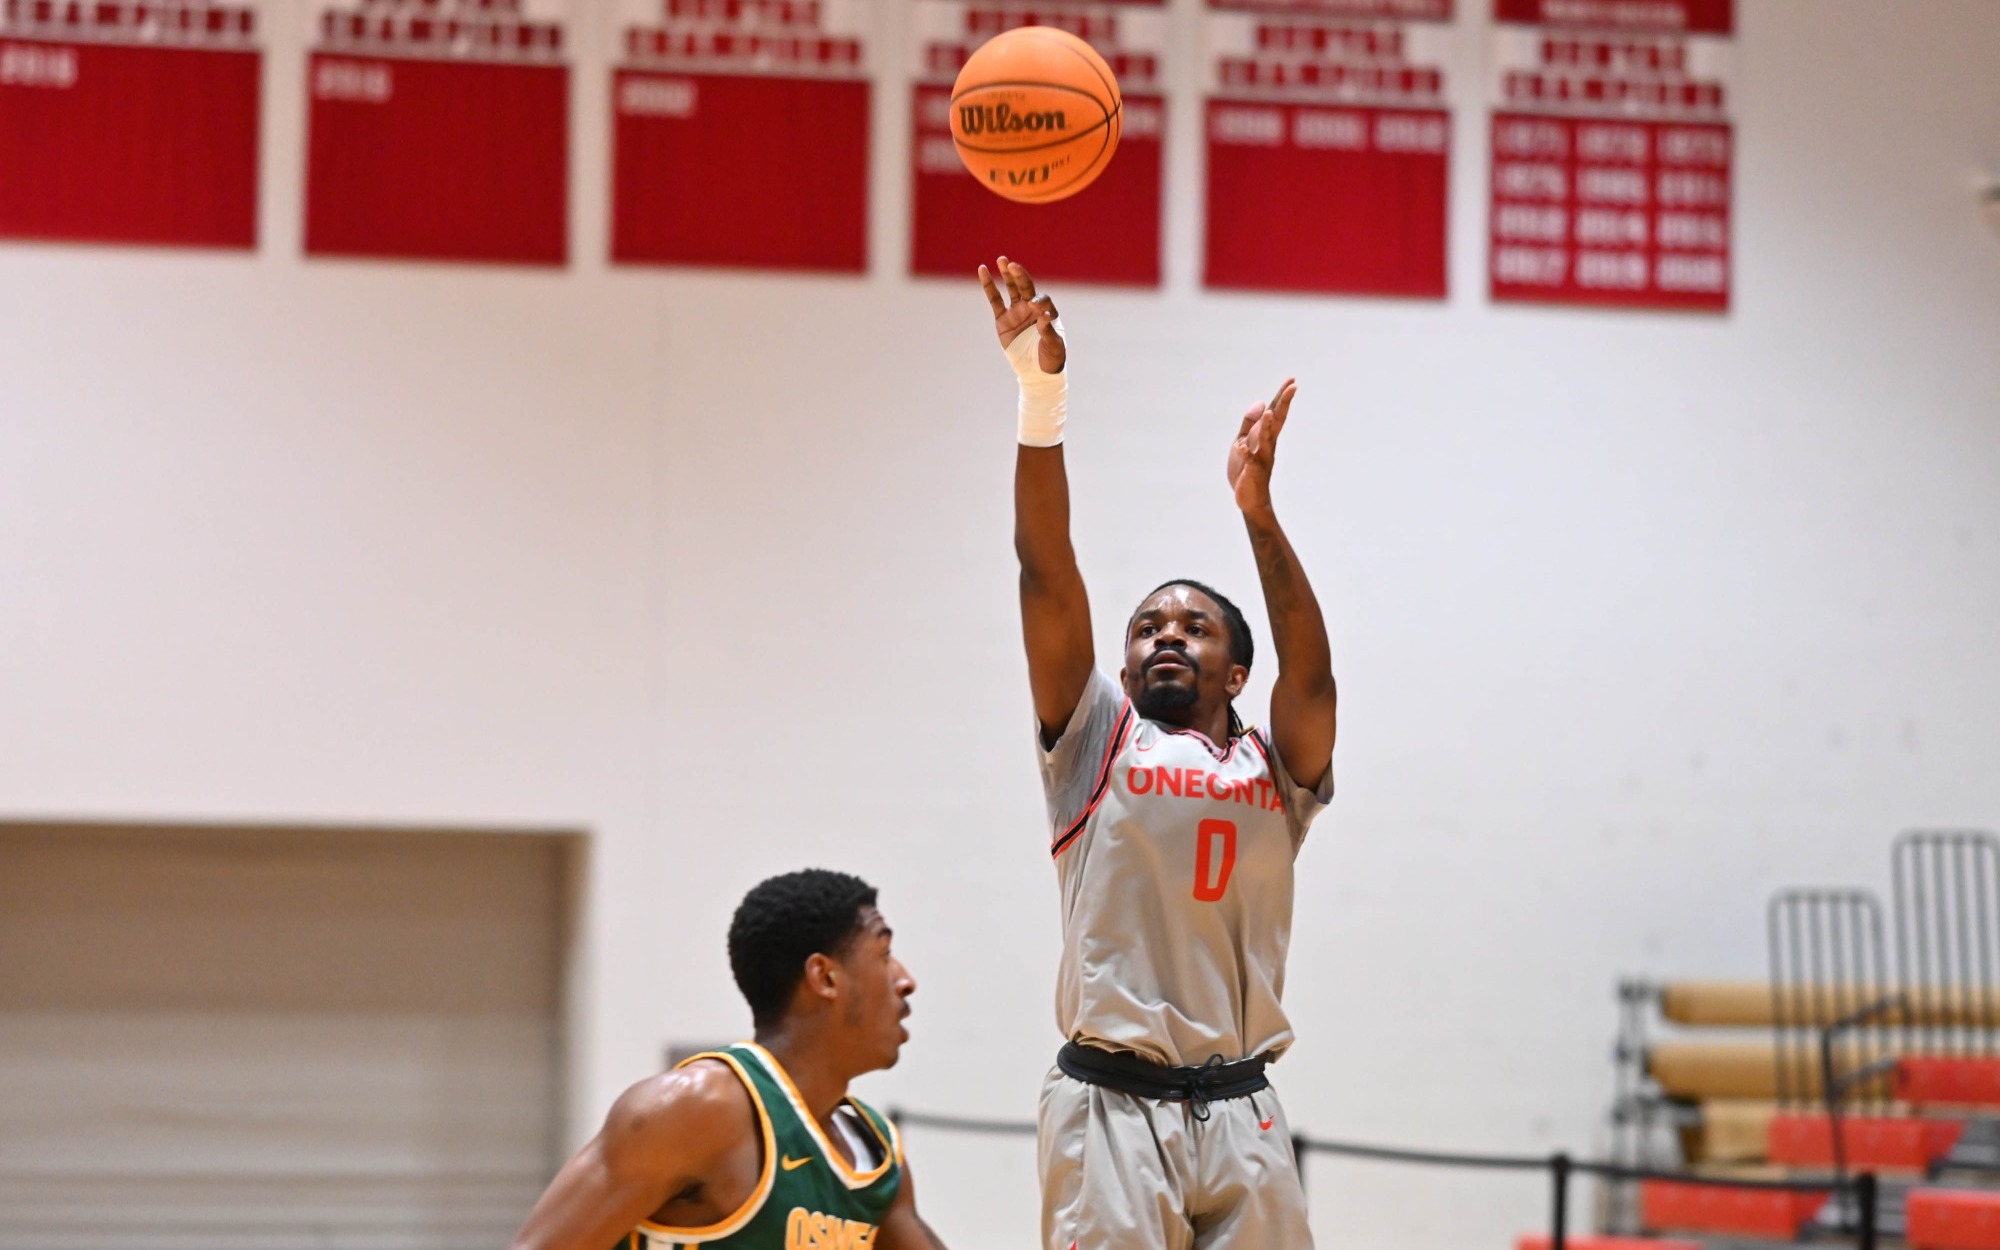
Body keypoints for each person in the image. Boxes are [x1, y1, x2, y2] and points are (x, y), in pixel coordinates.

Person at [982, 255, 1339, 1250]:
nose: (1164, 634)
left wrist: (1256, 514)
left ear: (1236, 673)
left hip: (1242, 1103)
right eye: (1145, 627)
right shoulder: (1096, 739)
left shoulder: (1274, 769)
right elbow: (1044, 571)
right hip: (1110, 1100)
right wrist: (1038, 396)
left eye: (1192, 625)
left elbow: (1312, 681)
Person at [507, 869, 950, 1250]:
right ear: (825, 977)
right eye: (885, 954)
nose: (906, 981)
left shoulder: (872, 1150)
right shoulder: (696, 1109)